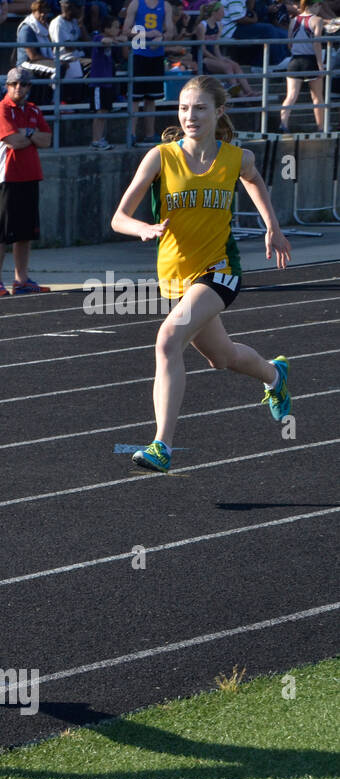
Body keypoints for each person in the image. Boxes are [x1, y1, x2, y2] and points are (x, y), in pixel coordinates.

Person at [110, 75, 292, 474]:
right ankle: (273, 374)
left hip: (220, 271)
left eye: (200, 108)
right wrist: (142, 228)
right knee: (222, 358)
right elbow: (118, 217)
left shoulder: (235, 158)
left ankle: (162, 445)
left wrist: (272, 227)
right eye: (183, 108)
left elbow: (255, 181)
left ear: (219, 111)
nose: (190, 116)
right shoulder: (161, 157)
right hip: (176, 276)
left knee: (168, 340)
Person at [0, 67, 51, 297]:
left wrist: (28, 135)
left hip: (30, 175)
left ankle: (21, 279)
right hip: (6, 177)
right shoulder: (0, 110)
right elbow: (14, 141)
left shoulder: (33, 110)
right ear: (7, 85)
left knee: (25, 233)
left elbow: (46, 139)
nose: (18, 88)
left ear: (29, 87)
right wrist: (31, 135)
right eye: (13, 84)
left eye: (22, 84)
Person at [123, 0, 175, 144]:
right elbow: (126, 30)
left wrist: (162, 37)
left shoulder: (165, 5)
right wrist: (146, 34)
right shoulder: (136, 4)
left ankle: (150, 134)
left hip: (156, 55)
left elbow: (171, 30)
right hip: (139, 54)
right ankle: (131, 134)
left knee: (152, 98)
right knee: (135, 98)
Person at [279, 0, 326, 132]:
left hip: (295, 61)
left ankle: (283, 124)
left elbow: (290, 43)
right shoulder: (317, 20)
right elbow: (316, 43)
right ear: (316, 5)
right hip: (310, 61)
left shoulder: (294, 20)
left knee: (291, 95)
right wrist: (320, 65)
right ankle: (320, 127)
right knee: (317, 97)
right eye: (320, 5)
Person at [195, 3, 255, 100]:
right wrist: (217, 59)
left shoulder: (219, 25)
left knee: (235, 65)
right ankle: (238, 93)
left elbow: (216, 47)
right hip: (203, 58)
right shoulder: (202, 26)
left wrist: (220, 58)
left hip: (213, 56)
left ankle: (248, 91)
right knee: (227, 67)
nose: (224, 14)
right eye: (222, 11)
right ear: (214, 12)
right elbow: (202, 49)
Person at [87, 15, 127, 149]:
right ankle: (95, 140)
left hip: (107, 83)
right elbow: (104, 41)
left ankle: (100, 138)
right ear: (106, 28)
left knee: (104, 112)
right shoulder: (98, 37)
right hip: (99, 83)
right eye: (115, 27)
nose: (118, 29)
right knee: (99, 113)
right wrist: (116, 40)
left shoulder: (113, 41)